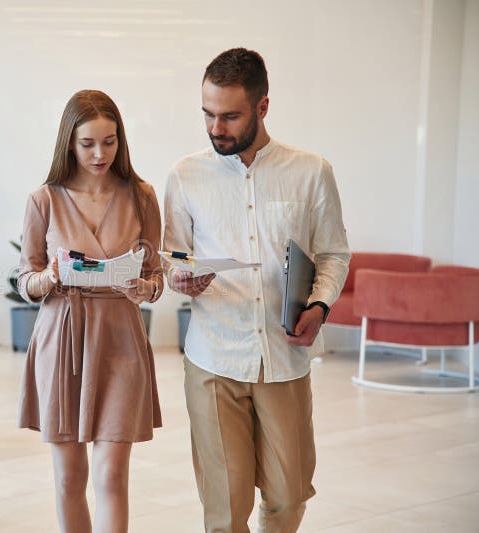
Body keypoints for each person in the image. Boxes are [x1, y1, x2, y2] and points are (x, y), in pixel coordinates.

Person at [163, 48, 350, 532]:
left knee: (288, 496)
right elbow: (172, 259)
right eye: (207, 114)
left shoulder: (311, 172)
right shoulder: (185, 175)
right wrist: (180, 278)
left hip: (283, 359)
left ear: (263, 107)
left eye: (229, 115)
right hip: (213, 360)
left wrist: (322, 304)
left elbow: (333, 252)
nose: (215, 127)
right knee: (224, 508)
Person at [17, 89, 163, 533]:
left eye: (110, 141)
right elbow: (26, 279)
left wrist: (146, 289)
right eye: (88, 144)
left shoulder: (142, 196)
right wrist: (51, 278)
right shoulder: (44, 199)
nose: (100, 153)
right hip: (62, 337)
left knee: (111, 474)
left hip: (120, 338)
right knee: (69, 478)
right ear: (69, 143)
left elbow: (157, 276)